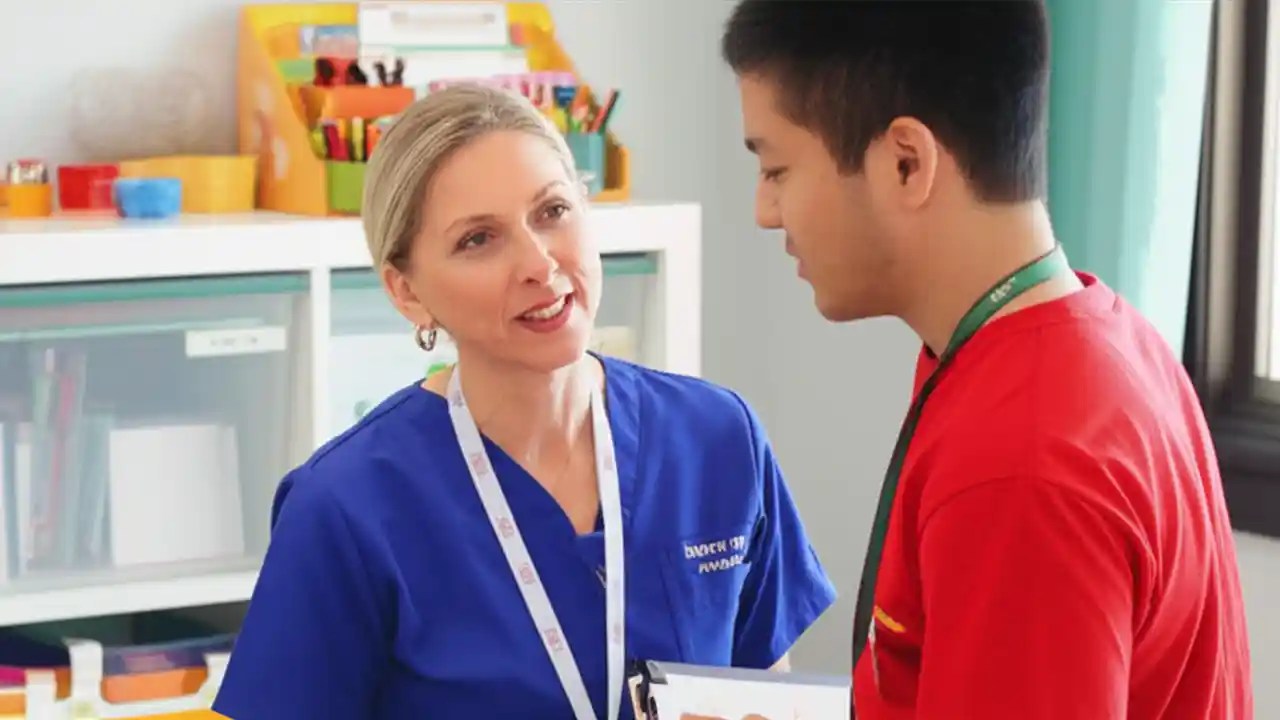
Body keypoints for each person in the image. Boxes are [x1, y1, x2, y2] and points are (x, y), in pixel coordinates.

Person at [211, 84, 836, 719]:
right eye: (479, 239)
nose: (539, 263)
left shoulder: (716, 439)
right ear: (407, 292)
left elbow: (765, 697)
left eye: (552, 211)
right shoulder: (346, 508)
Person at [715, 1, 1254, 719]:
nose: (764, 211)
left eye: (778, 169)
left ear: (906, 162)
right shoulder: (1093, 342)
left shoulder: (1019, 458)